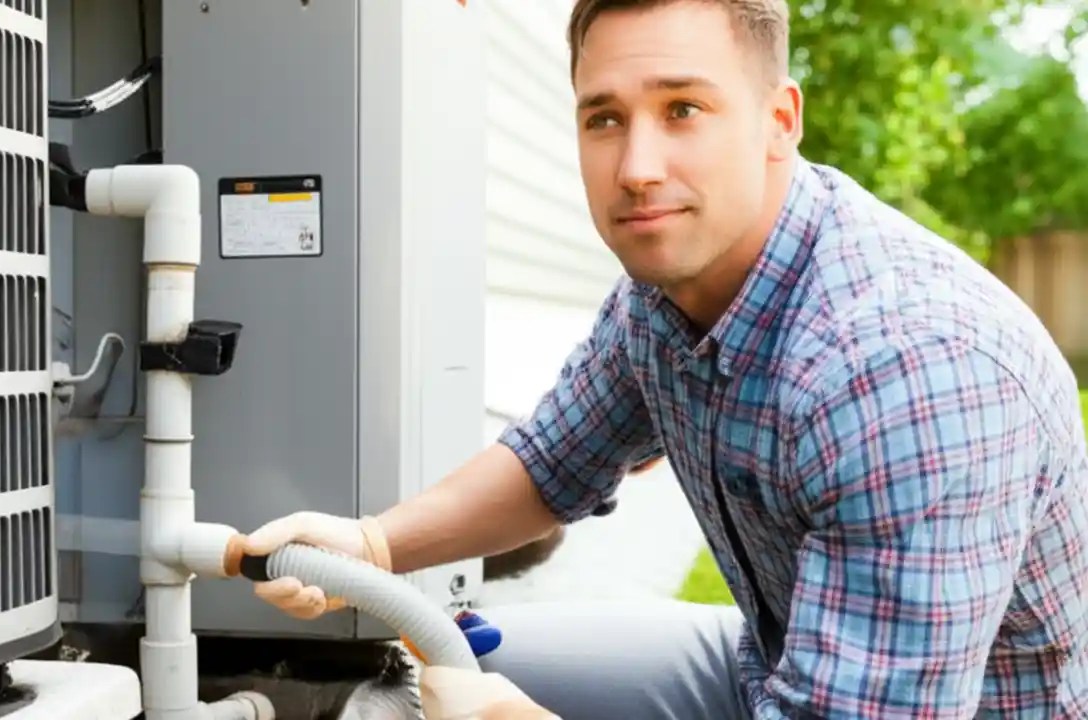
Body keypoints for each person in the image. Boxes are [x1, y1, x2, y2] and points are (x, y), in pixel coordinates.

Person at [234, 0, 1088, 717]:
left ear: (778, 122)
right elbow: (551, 464)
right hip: (771, 656)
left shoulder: (904, 373)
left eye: (683, 108)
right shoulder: (665, 288)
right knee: (408, 683)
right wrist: (372, 545)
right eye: (605, 118)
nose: (638, 168)